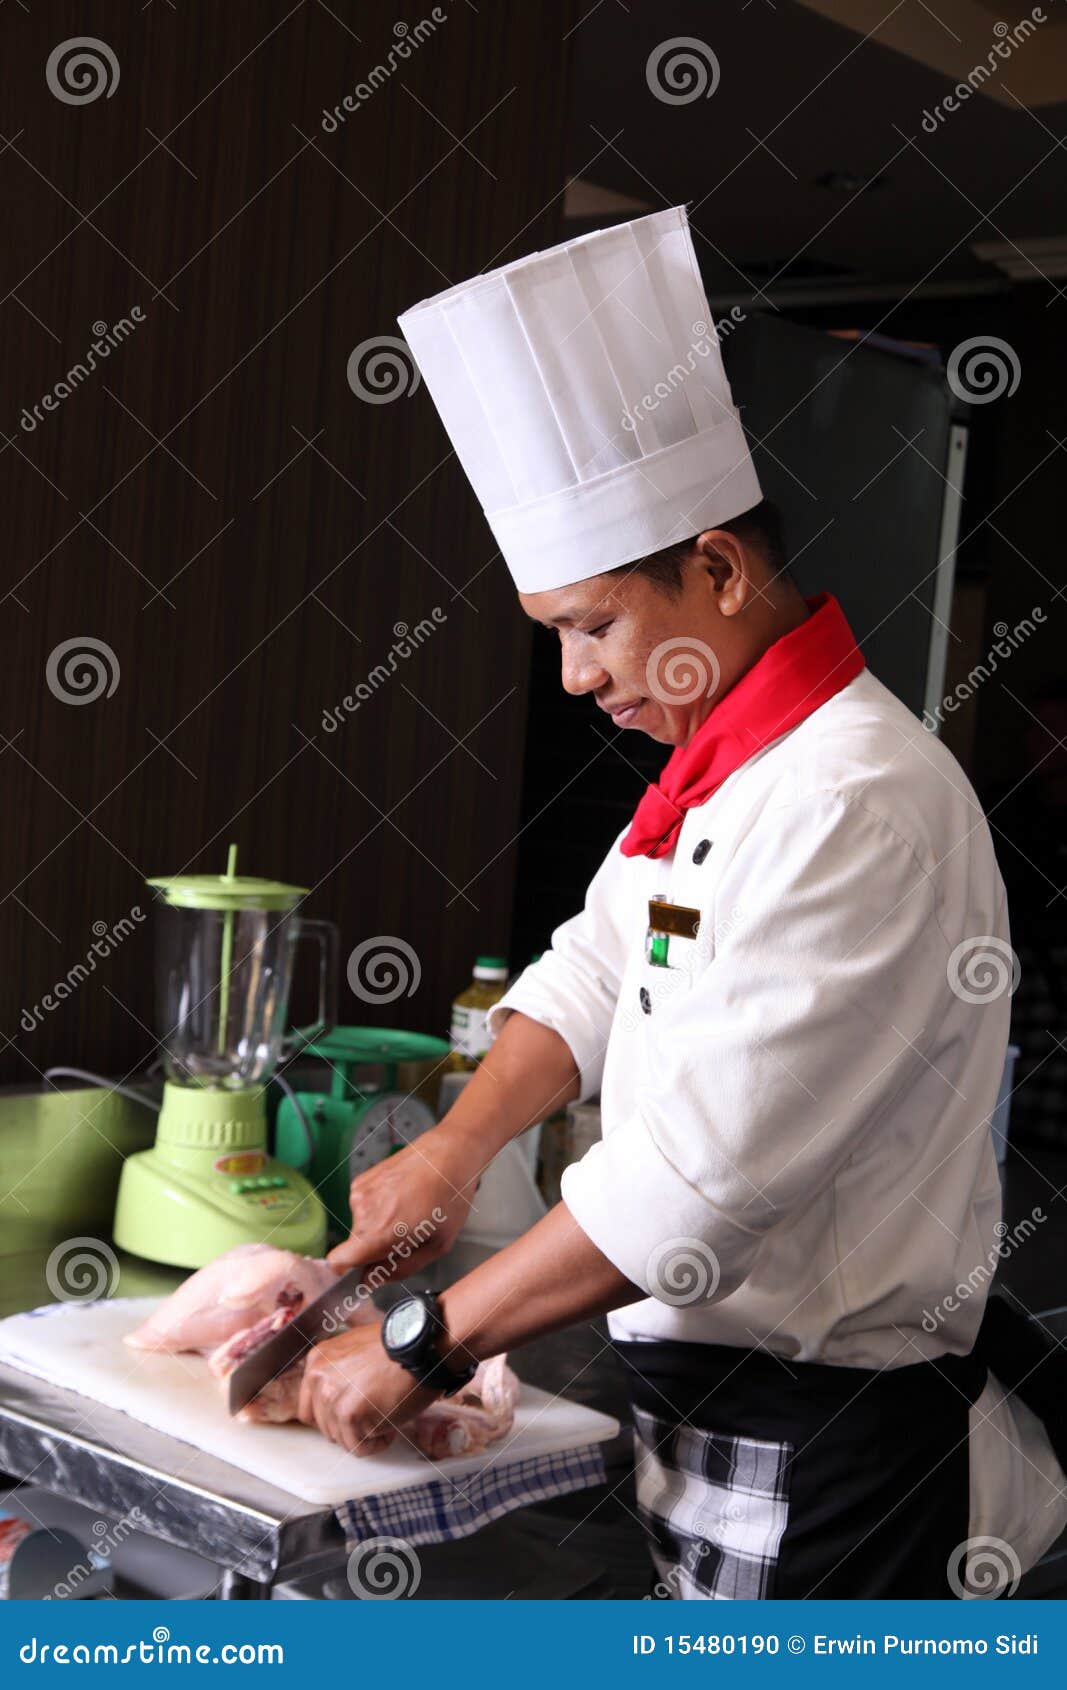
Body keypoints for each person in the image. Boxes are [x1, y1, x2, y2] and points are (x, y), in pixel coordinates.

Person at [298, 207, 1067, 1598]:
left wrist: (422, 1338)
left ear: (714, 567)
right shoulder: (718, 773)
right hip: (694, 1409)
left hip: (832, 1462)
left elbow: (696, 1185)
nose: (580, 678)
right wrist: (460, 1148)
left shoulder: (856, 798)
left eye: (592, 626)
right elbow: (598, 962)